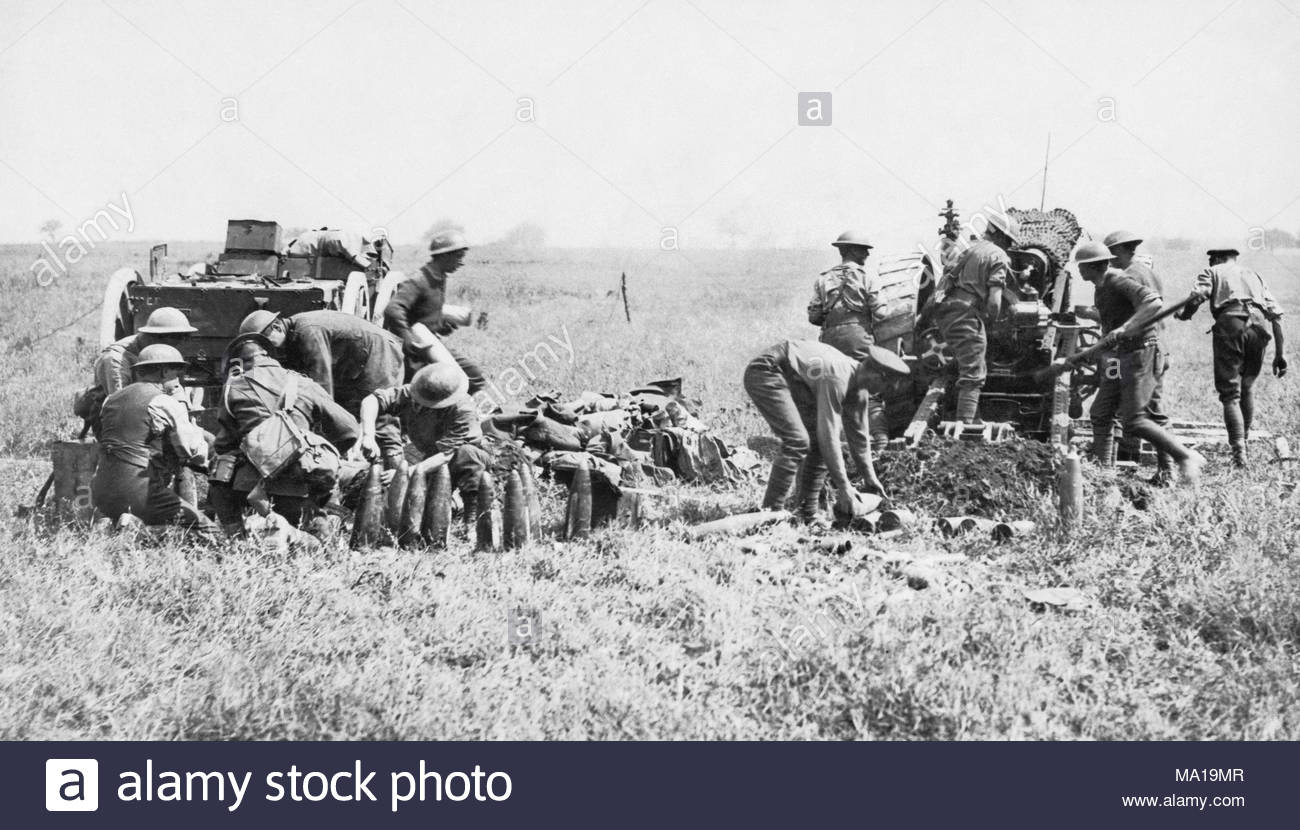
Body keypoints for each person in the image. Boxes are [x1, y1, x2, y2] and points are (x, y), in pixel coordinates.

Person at [209, 331, 363, 535]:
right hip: (303, 479)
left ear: (237, 362)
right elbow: (350, 430)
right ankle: (325, 525)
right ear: (270, 356)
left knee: (220, 463)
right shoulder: (304, 383)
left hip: (250, 488)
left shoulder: (234, 386)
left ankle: (235, 535)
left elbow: (224, 445)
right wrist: (317, 449)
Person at [1074, 242, 1203, 483]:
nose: (1079, 271)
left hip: (1140, 352)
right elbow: (1112, 318)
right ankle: (1105, 474)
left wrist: (1126, 328)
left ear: (1092, 266)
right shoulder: (1101, 288)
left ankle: (1181, 460)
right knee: (1101, 412)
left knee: (1136, 418)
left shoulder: (1118, 280)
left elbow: (1153, 303)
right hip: (1119, 356)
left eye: (1081, 266)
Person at [743, 339, 909, 522]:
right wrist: (844, 486)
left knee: (816, 445)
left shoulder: (859, 387)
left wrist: (871, 479)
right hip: (768, 370)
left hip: (795, 378)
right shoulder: (838, 377)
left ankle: (806, 514)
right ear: (878, 375)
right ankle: (769, 514)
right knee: (797, 441)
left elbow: (859, 439)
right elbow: (829, 436)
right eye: (887, 386)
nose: (884, 392)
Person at [236, 308, 405, 467]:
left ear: (277, 327)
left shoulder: (308, 332)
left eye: (266, 344)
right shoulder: (292, 336)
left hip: (380, 352)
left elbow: (321, 383)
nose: (266, 351)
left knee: (381, 419)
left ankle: (395, 473)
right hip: (352, 365)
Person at [1174, 245, 1286, 467]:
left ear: (1217, 259)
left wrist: (1185, 314)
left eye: (1212, 260)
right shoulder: (1254, 275)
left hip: (1231, 324)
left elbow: (1198, 296)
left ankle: (1239, 454)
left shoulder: (1213, 272)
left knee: (1230, 394)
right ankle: (1243, 444)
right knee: (1248, 387)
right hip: (1259, 327)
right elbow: (1277, 316)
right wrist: (1280, 355)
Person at [356, 343, 492, 515]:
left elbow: (447, 455)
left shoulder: (463, 410)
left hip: (463, 460)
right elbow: (372, 400)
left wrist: (405, 473)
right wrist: (368, 436)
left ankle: (472, 514)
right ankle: (447, 501)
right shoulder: (415, 393)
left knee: (466, 454)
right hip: (429, 456)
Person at [90, 344, 213, 528]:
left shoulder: (111, 400)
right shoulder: (165, 402)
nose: (178, 381)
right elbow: (195, 453)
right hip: (139, 491)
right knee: (205, 528)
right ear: (163, 372)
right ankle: (136, 526)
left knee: (160, 520)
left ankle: (122, 521)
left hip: (101, 490)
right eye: (176, 374)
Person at [933, 213, 1019, 423]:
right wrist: (990, 323)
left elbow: (946, 281)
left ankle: (972, 416)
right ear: (1002, 237)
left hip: (947, 312)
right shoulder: (998, 255)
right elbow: (994, 301)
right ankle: (964, 430)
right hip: (966, 314)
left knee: (961, 365)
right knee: (973, 375)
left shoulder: (969, 248)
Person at [807, 230, 889, 450]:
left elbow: (814, 316)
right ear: (851, 250)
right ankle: (880, 443)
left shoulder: (823, 279)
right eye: (864, 250)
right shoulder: (867, 278)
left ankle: (828, 446)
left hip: (830, 340)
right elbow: (881, 313)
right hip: (858, 338)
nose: (867, 255)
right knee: (868, 389)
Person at [382, 228, 486, 394]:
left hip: (430, 343)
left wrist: (440, 325)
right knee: (442, 386)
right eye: (458, 257)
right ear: (445, 256)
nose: (461, 262)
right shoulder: (419, 280)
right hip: (415, 351)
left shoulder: (438, 278)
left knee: (473, 377)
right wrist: (408, 342)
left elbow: (422, 312)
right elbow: (394, 309)